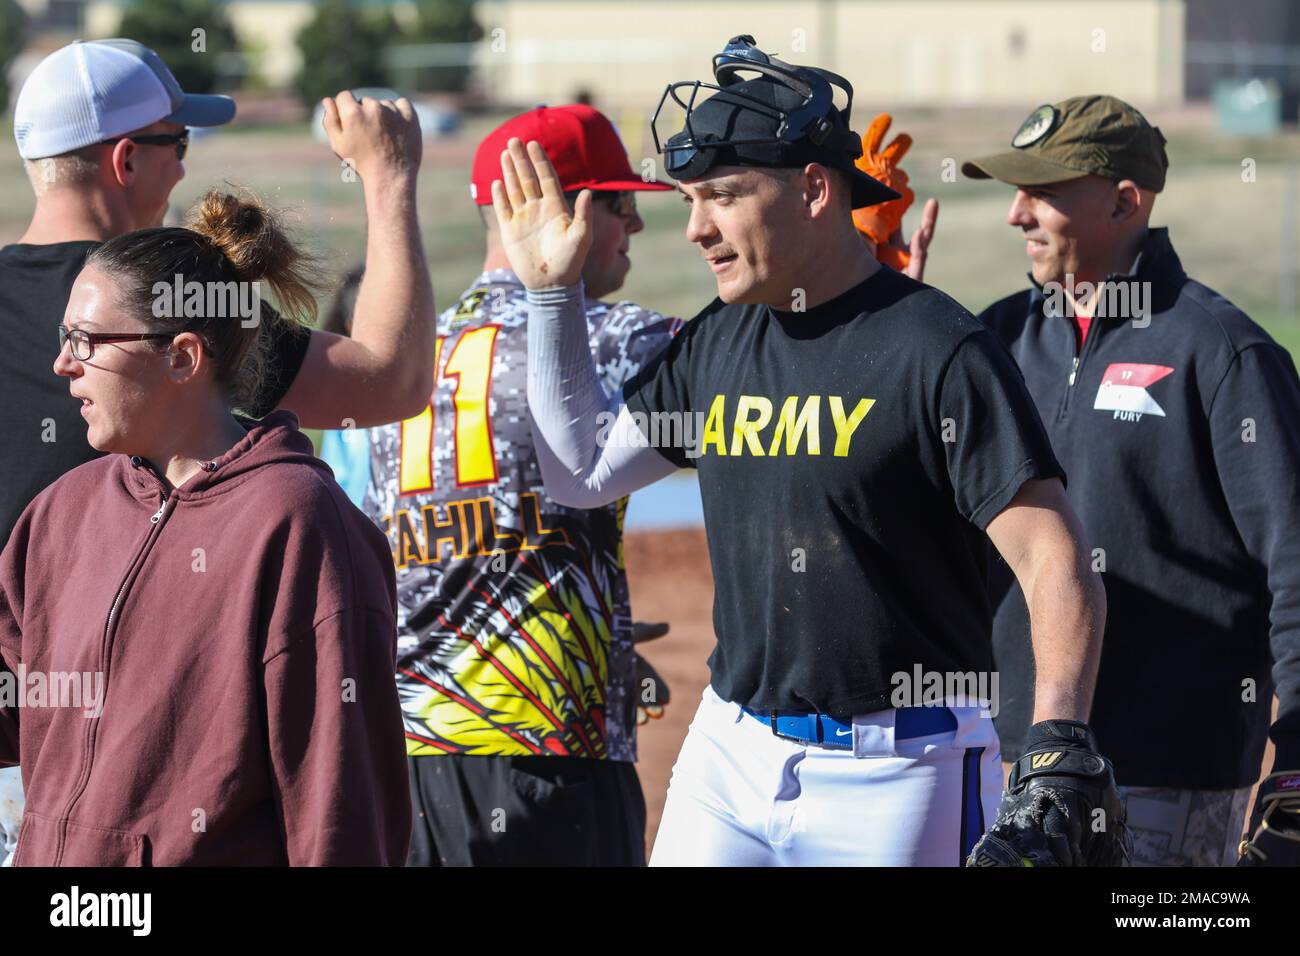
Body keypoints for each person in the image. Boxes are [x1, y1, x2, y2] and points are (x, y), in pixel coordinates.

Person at [498, 35, 1122, 866]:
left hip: (906, 766)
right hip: (729, 749)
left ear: (816, 190)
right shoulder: (724, 339)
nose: (694, 229)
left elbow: (1054, 557)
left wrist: (1056, 744)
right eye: (690, 200)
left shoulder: (936, 348)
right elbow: (580, 474)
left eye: (720, 195)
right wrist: (551, 294)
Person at [0, 38, 434, 854]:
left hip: (41, 755)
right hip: (142, 783)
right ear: (127, 159)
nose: (183, 171)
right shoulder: (160, 312)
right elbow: (394, 381)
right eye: (179, 145)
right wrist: (388, 178)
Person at [962, 94, 1300, 866]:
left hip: (1163, 772)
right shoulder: (993, 339)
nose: (1017, 214)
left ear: (1124, 201)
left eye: (1043, 191)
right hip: (1006, 755)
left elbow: (1294, 562)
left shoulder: (1221, 353)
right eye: (1014, 191)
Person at [362, 104, 680, 866]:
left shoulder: (403, 352)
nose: (633, 228)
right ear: (564, 209)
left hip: (411, 760)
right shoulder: (616, 337)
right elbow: (758, 391)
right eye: (622, 205)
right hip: (549, 751)